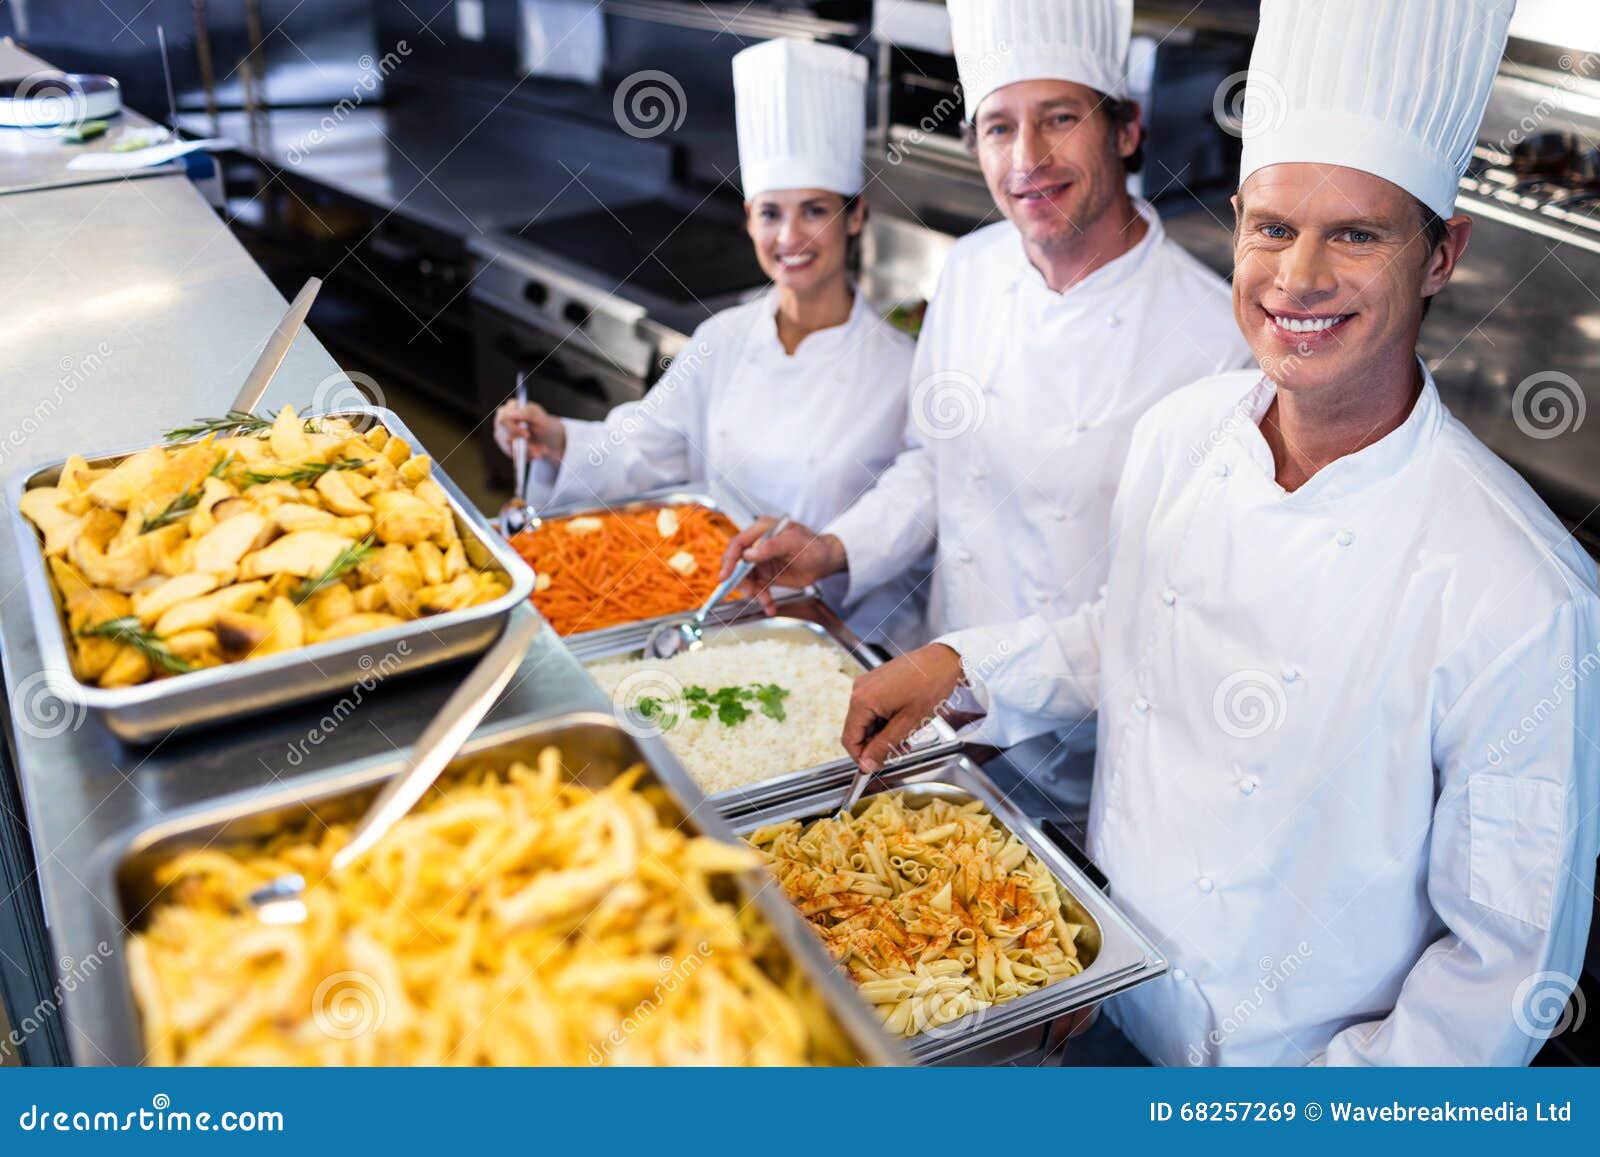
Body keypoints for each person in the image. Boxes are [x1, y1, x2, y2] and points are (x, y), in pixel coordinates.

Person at [841, 0, 1600, 1066]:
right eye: (1273, 228)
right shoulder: (1179, 436)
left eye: (1356, 234)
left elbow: (1499, 977)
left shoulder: (1526, 595)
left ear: (1442, 256)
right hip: (1098, 990)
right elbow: (1137, 637)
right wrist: (963, 667)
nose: (1298, 278)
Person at [721, 0, 1252, 819]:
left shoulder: (1218, 341)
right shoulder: (970, 269)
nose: (1027, 158)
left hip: (1087, 769)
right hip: (937, 725)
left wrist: (968, 666)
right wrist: (834, 547)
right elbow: (932, 464)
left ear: (1126, 130)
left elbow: (1166, 615)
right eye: (999, 127)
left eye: (1059, 119)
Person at [493, 37, 922, 648]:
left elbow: (913, 523)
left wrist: (833, 561)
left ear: (855, 217)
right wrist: (556, 439)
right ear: (748, 219)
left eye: (814, 211)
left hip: (827, 631)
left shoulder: (902, 370)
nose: (790, 237)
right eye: (771, 213)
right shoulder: (723, 337)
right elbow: (647, 445)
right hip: (706, 611)